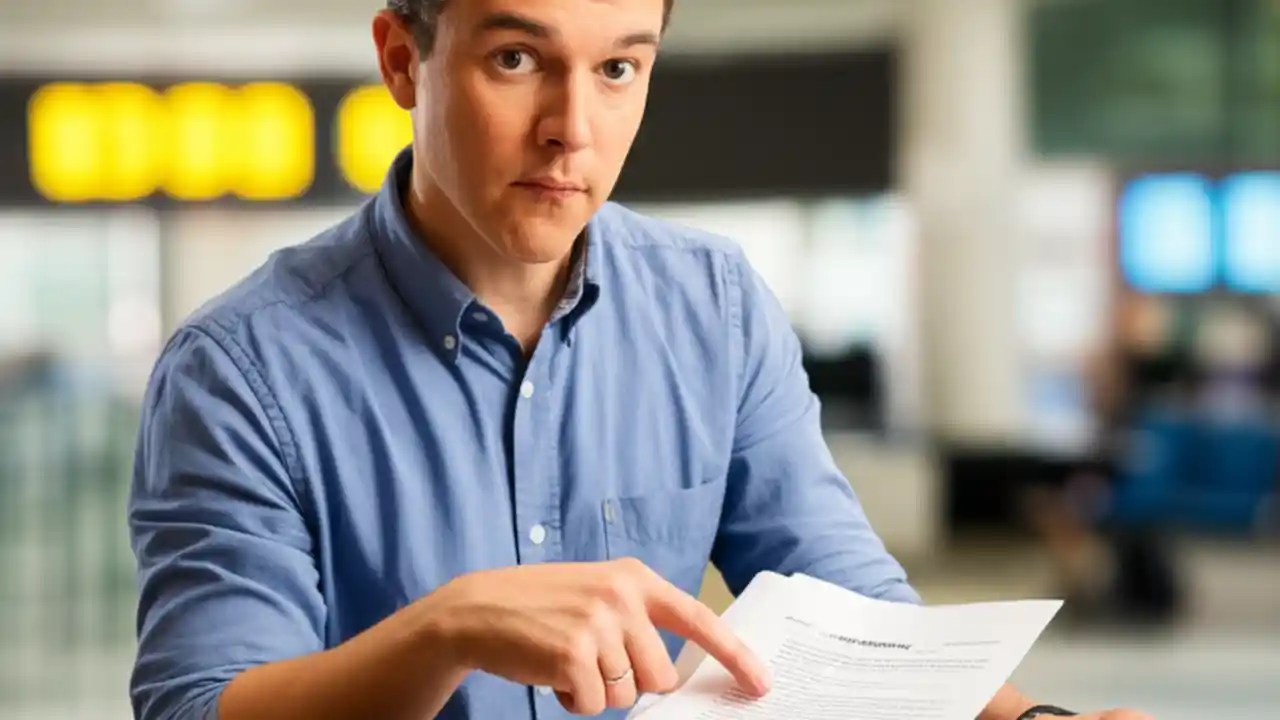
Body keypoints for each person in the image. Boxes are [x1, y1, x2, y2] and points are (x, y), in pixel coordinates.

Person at [127, 1, 1154, 719]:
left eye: (618, 67)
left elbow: (841, 600)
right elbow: (200, 704)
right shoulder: (240, 369)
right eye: (517, 60)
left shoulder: (711, 307)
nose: (572, 131)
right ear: (402, 59)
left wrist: (1025, 718)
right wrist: (445, 631)